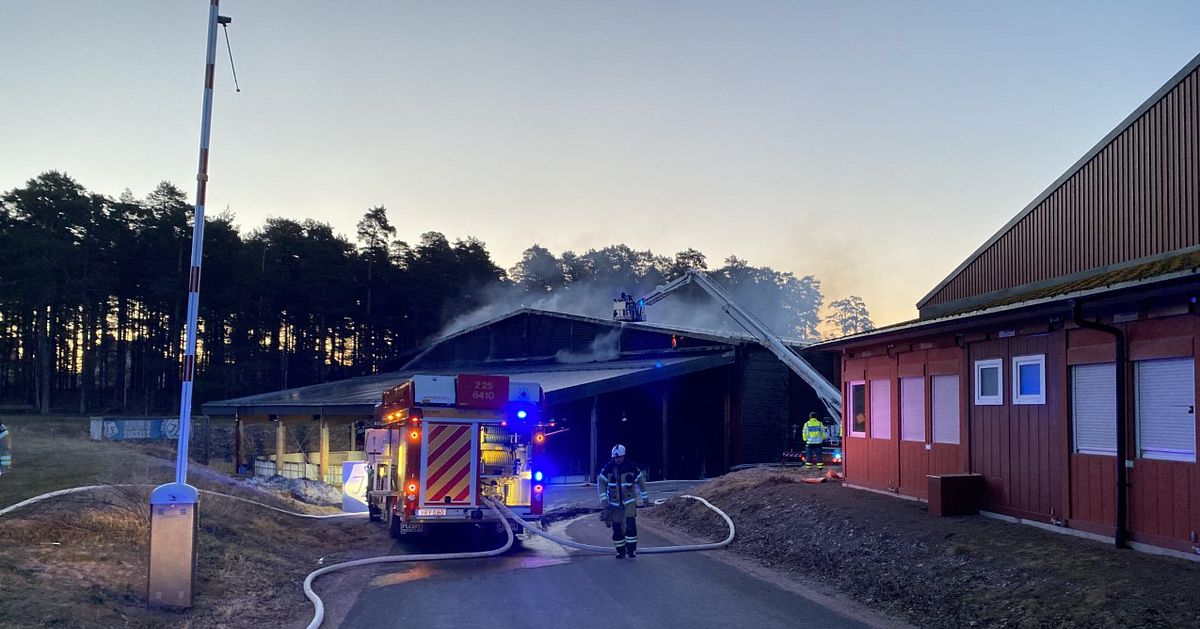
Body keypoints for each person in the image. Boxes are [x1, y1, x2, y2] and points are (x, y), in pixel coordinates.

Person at [598, 444, 649, 558]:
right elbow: (601, 483)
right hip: (614, 504)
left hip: (629, 502)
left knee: (630, 526)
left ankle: (631, 550)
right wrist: (603, 499)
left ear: (623, 456)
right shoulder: (608, 468)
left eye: (619, 457)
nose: (617, 459)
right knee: (617, 528)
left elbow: (641, 482)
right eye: (615, 457)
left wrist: (645, 497)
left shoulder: (631, 467)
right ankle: (620, 551)